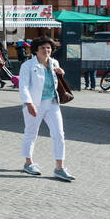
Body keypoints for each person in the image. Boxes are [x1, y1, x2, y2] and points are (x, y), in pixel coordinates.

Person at [19, 35, 74, 182]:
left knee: (59, 134)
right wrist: (28, 103)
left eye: (48, 48)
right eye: (42, 48)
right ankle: (28, 163)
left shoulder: (54, 63)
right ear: (36, 50)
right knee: (31, 133)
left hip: (52, 103)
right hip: (35, 104)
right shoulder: (28, 66)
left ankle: (59, 167)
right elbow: (23, 86)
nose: (46, 50)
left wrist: (61, 73)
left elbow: (56, 81)